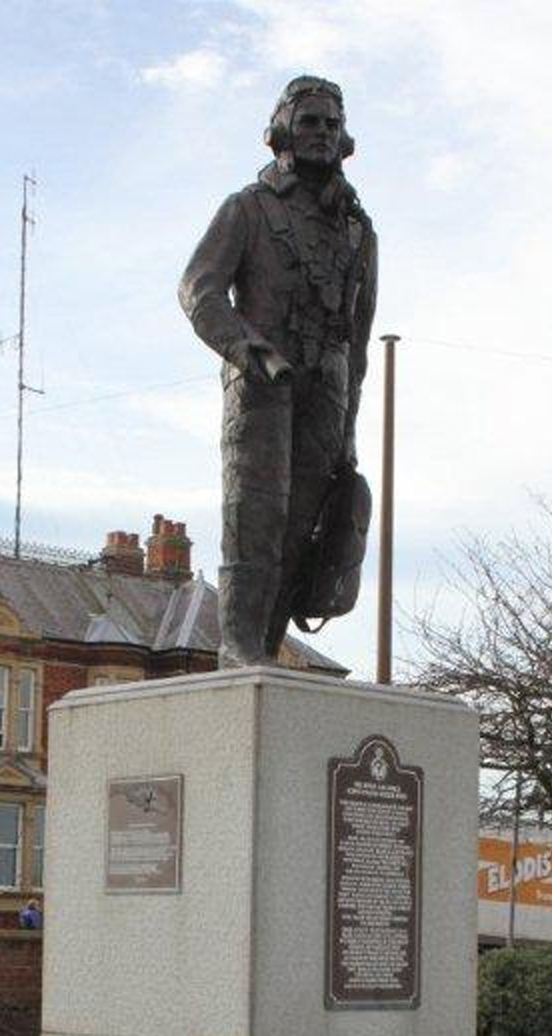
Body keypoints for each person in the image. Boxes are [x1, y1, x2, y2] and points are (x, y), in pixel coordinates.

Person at [179, 75, 378, 667]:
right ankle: (238, 646)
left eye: (330, 124)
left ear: (344, 140)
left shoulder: (358, 229)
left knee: (305, 522)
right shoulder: (247, 208)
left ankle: (265, 644)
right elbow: (199, 290)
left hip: (330, 385)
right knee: (256, 512)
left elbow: (360, 337)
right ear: (283, 132)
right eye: (309, 121)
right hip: (263, 383)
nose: (320, 132)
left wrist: (349, 428)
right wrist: (251, 350)